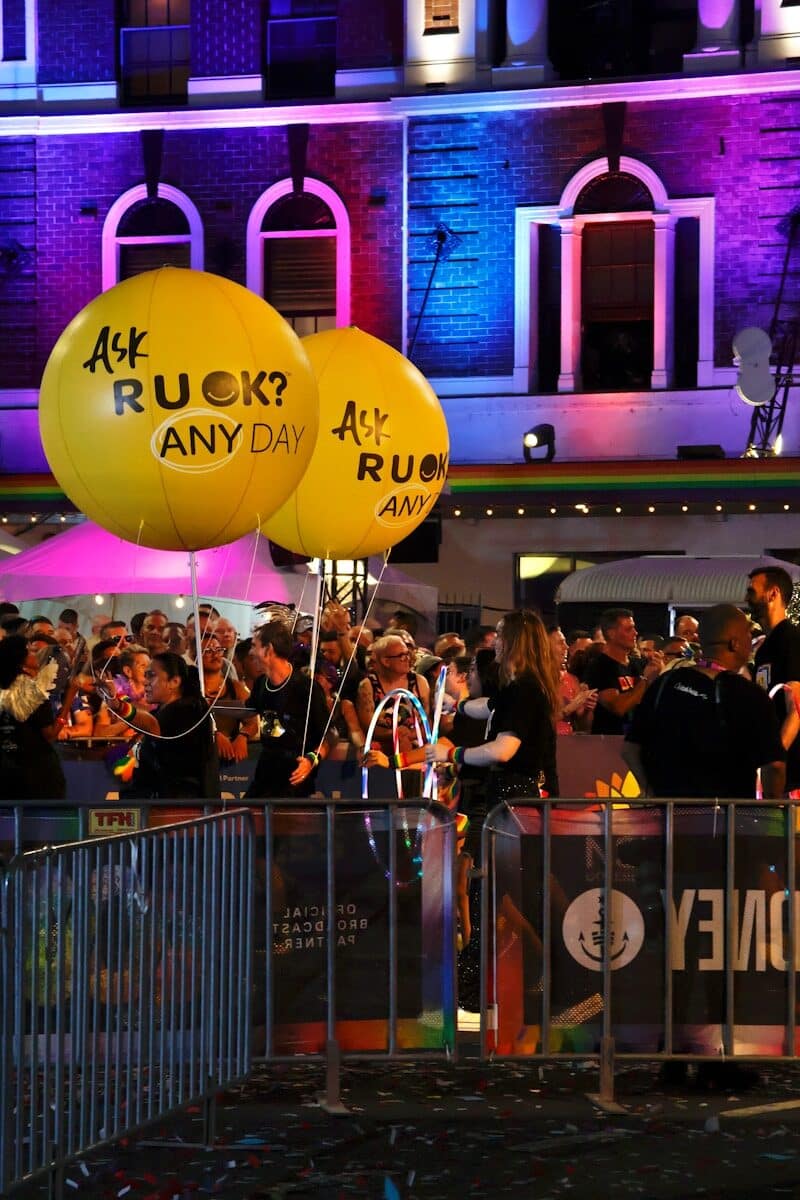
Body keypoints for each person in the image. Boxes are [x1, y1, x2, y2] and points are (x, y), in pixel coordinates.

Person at [623, 604, 785, 800]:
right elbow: (774, 767)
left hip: (669, 819)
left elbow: (630, 749)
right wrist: (770, 806)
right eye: (748, 635)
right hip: (730, 821)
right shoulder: (750, 695)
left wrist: (649, 790)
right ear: (734, 643)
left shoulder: (663, 684)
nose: (751, 641)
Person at [426, 609, 560, 802]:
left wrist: (450, 754)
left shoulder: (525, 689)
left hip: (517, 797)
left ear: (514, 642)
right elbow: (488, 707)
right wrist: (456, 705)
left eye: (500, 635)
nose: (494, 642)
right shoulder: (516, 686)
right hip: (511, 794)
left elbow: (502, 750)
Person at [102, 651, 218, 799]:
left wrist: (118, 705)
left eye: (151, 675)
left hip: (177, 806)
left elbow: (152, 725)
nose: (145, 681)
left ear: (174, 682)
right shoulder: (164, 710)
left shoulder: (187, 711)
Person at [246, 619, 330, 797]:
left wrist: (311, 760)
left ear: (268, 650)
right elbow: (247, 711)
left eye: (254, 646)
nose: (250, 652)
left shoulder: (306, 688)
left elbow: (330, 734)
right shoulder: (261, 684)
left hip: (294, 777)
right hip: (265, 772)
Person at [746, 565, 800, 794]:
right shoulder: (764, 647)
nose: (746, 598)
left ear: (773, 593)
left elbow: (796, 708)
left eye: (751, 591)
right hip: (774, 773)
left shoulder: (791, 639)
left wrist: (774, 759)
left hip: (792, 773)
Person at [356, 633, 431, 794]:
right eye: (401, 655)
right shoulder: (368, 685)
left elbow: (427, 722)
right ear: (386, 661)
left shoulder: (419, 682)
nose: (407, 658)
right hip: (384, 743)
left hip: (414, 743)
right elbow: (369, 727)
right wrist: (395, 734)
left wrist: (408, 736)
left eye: (407, 654)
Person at [0, 634, 66, 799]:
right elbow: (50, 734)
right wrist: (71, 695)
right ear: (20, 660)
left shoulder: (4, 690)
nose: (35, 654)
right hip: (37, 771)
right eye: (29, 651)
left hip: (6, 767)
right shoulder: (31, 692)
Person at [584, 607, 663, 735]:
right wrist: (646, 679)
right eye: (628, 629)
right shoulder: (599, 666)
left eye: (634, 628)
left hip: (637, 741)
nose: (635, 633)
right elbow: (618, 707)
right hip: (609, 742)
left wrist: (660, 673)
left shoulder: (640, 664)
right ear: (611, 633)